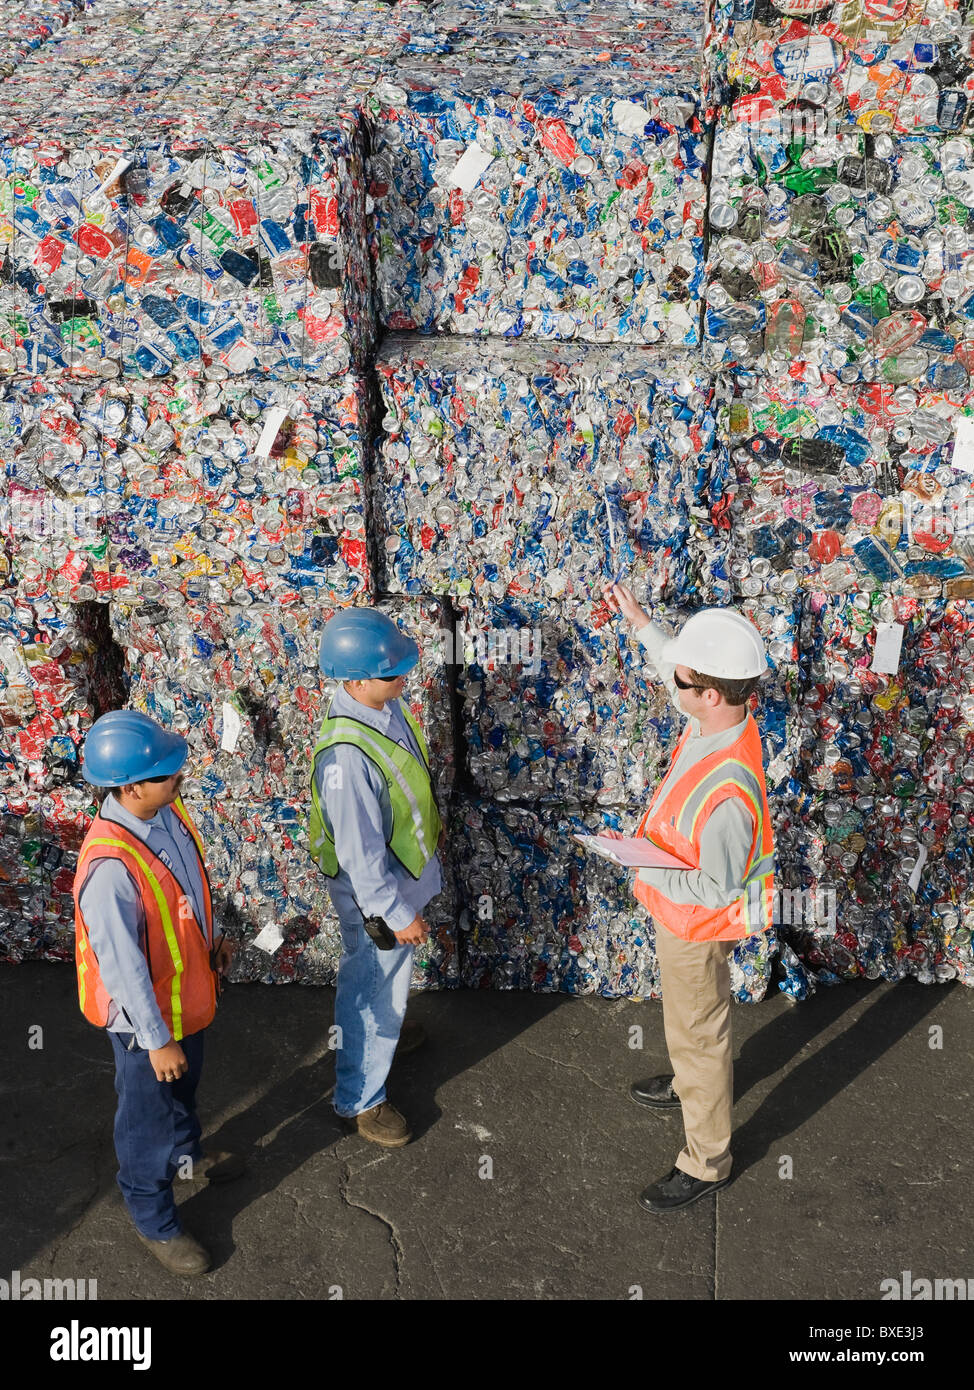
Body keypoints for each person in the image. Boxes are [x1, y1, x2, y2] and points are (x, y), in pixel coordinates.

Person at [603, 583, 774, 1214]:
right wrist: (645, 626)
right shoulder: (717, 715)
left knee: (700, 1030)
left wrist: (644, 872)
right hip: (679, 910)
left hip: (696, 921)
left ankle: (706, 1160)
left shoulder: (729, 791)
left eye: (679, 680)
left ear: (707, 693)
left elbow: (716, 886)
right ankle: (684, 1082)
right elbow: (673, 666)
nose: (667, 686)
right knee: (686, 1018)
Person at [73, 710, 242, 1276]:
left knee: (185, 1094)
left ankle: (187, 1157)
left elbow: (183, 894)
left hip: (187, 1001)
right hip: (147, 1026)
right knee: (146, 1118)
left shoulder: (167, 813)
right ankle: (154, 1219)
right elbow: (121, 968)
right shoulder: (110, 870)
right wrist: (155, 1041)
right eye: (169, 776)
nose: (180, 782)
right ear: (129, 786)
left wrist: (211, 944)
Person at [309, 608, 444, 1147]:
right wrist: (394, 912)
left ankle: (380, 1041)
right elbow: (360, 853)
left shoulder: (386, 708)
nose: (403, 680)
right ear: (356, 680)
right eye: (392, 673)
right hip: (377, 896)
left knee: (385, 980)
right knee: (368, 985)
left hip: (399, 879)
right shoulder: (345, 757)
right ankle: (360, 1097)